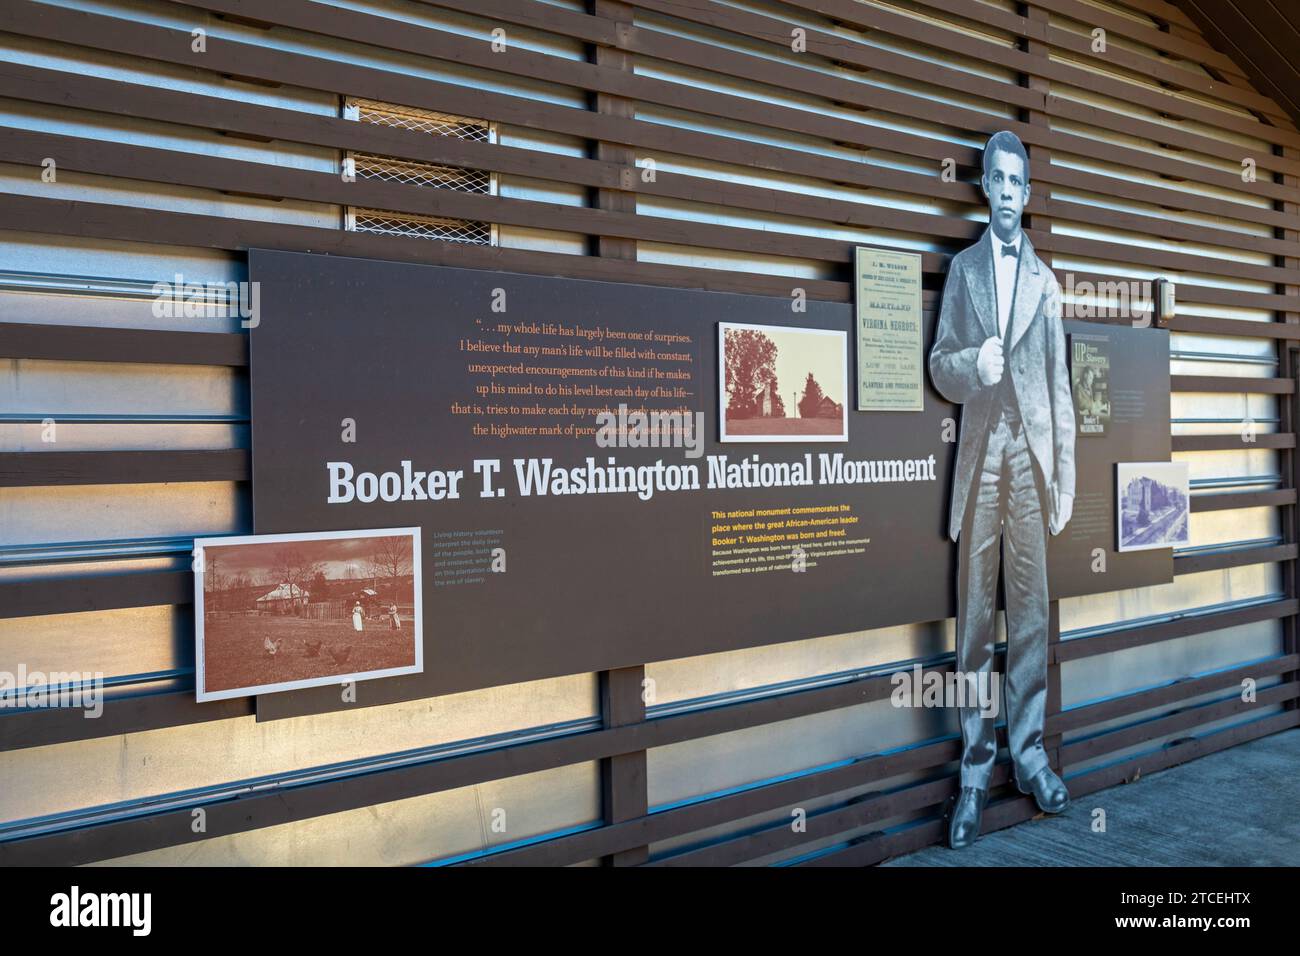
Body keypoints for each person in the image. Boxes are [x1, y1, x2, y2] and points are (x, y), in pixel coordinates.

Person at [928, 130, 1076, 849]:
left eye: (1021, 180)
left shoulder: (1048, 282)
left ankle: (1032, 758)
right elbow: (938, 364)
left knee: (1032, 618)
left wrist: (1066, 476)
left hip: (1030, 467)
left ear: (1028, 191)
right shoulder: (963, 272)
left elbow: (1060, 387)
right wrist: (971, 366)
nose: (1011, 191)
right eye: (1001, 179)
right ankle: (975, 773)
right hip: (981, 459)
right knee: (975, 626)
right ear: (986, 187)